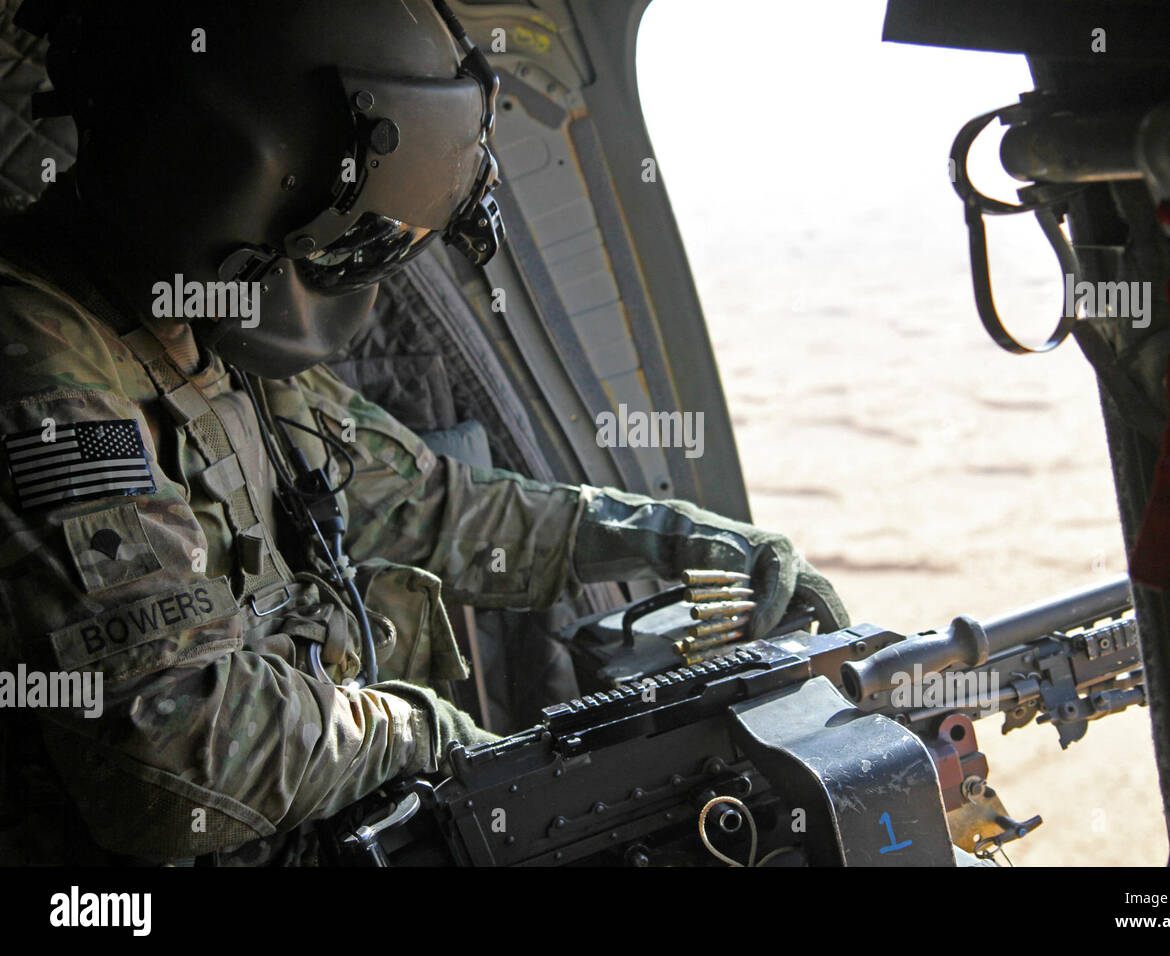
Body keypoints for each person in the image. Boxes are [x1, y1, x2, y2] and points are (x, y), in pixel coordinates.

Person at [0, 0, 847, 863]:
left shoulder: (200, 325)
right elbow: (177, 751)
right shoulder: (35, 354)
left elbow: (425, 503)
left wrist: (679, 538)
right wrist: (421, 733)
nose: (338, 268)